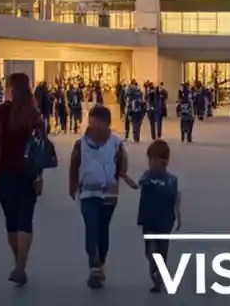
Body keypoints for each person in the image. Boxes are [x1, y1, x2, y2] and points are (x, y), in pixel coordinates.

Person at [68, 104, 135, 289]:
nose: (93, 125)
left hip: (109, 193)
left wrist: (123, 174)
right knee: (91, 225)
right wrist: (72, 185)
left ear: (107, 123)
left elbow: (123, 160)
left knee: (103, 228)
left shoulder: (116, 142)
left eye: (97, 121)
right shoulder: (81, 144)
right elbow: (74, 164)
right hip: (88, 192)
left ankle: (101, 260)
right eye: (91, 121)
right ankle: (93, 263)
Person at [0, 72, 44, 285]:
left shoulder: (1, 112)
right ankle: (20, 265)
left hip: (6, 172)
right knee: (25, 219)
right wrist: (40, 175)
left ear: (11, 88)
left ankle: (18, 263)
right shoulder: (34, 113)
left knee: (11, 221)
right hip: (29, 173)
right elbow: (40, 147)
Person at [138, 139, 181, 293]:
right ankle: (155, 270)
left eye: (155, 159)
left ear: (164, 161)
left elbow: (176, 198)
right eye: (150, 159)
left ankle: (158, 277)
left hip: (165, 221)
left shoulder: (172, 180)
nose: (151, 163)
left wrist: (178, 217)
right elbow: (140, 183)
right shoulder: (147, 176)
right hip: (148, 219)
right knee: (149, 251)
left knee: (162, 250)